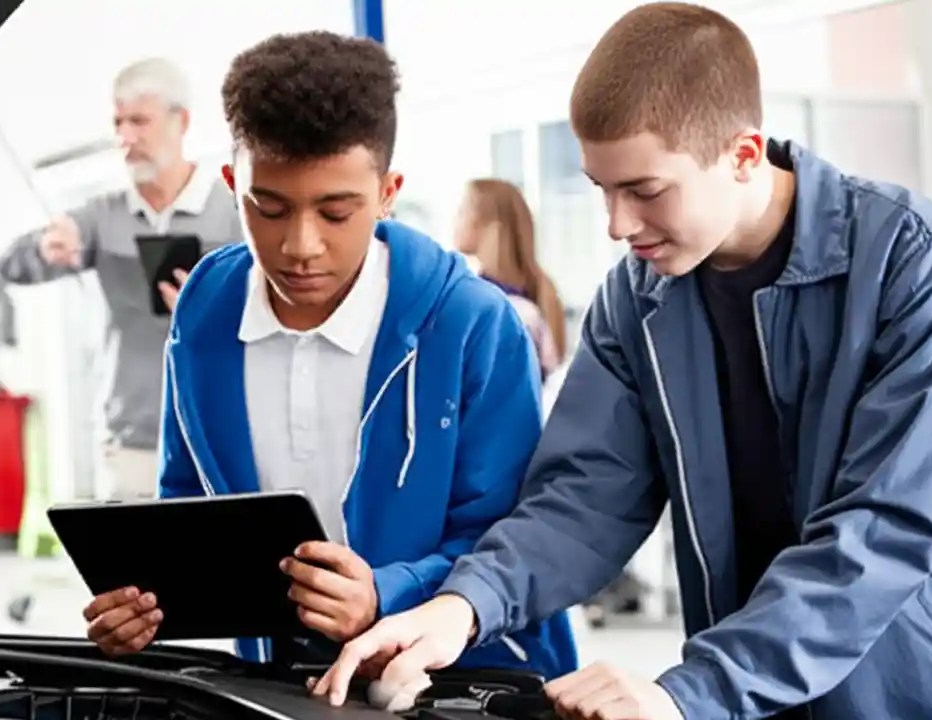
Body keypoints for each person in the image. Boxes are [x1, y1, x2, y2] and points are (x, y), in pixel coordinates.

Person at [312, 3, 932, 719]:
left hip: (910, 686)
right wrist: (462, 606)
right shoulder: (636, 299)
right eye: (602, 188)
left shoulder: (911, 258)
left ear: (744, 154)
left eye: (645, 190)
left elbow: (879, 528)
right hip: (741, 693)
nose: (617, 224)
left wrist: (688, 693)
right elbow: (584, 500)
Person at [79, 30, 579, 680]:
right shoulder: (205, 309)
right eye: (270, 207)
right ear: (234, 185)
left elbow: (512, 543)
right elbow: (188, 507)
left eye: (337, 212)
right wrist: (149, 602)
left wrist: (385, 593)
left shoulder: (472, 324)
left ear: (388, 191)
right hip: (289, 684)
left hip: (470, 685)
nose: (300, 245)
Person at [0, 57, 241, 501]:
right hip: (134, 437)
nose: (125, 137)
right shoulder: (100, 217)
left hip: (223, 431)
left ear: (180, 121)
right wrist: (45, 246)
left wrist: (211, 306)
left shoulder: (233, 214)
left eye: (139, 122)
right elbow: (11, 266)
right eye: (118, 122)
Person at [454, 178, 568, 379]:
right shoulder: (536, 297)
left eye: (463, 211)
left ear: (488, 225)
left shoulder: (501, 308)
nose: (456, 220)